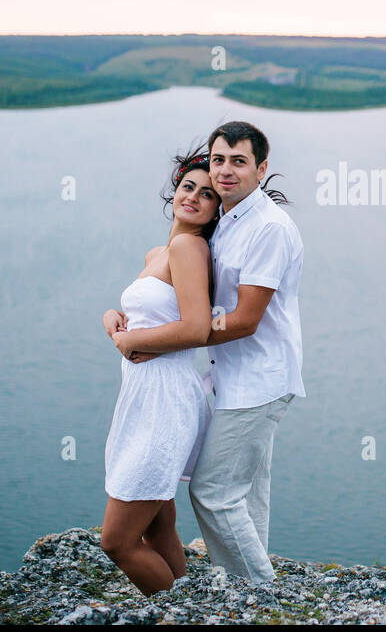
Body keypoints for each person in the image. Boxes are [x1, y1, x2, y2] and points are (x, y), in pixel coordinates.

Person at [123, 120, 305, 584]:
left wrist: (165, 338)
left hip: (259, 380)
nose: (225, 171)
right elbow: (178, 296)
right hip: (230, 378)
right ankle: (254, 588)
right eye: (218, 159)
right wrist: (134, 323)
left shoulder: (268, 228)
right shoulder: (226, 222)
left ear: (261, 168)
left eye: (238, 161)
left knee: (212, 492)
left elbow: (244, 320)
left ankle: (258, 593)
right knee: (247, 493)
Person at [98, 147, 219, 594]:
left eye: (207, 195)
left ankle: (179, 617)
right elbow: (147, 315)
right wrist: (113, 318)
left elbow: (195, 326)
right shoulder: (160, 251)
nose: (193, 197)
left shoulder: (190, 247)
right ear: (175, 190)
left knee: (118, 541)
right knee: (158, 530)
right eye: (188, 186)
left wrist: (132, 341)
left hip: (165, 400)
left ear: (215, 210)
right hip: (143, 397)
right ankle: (187, 604)